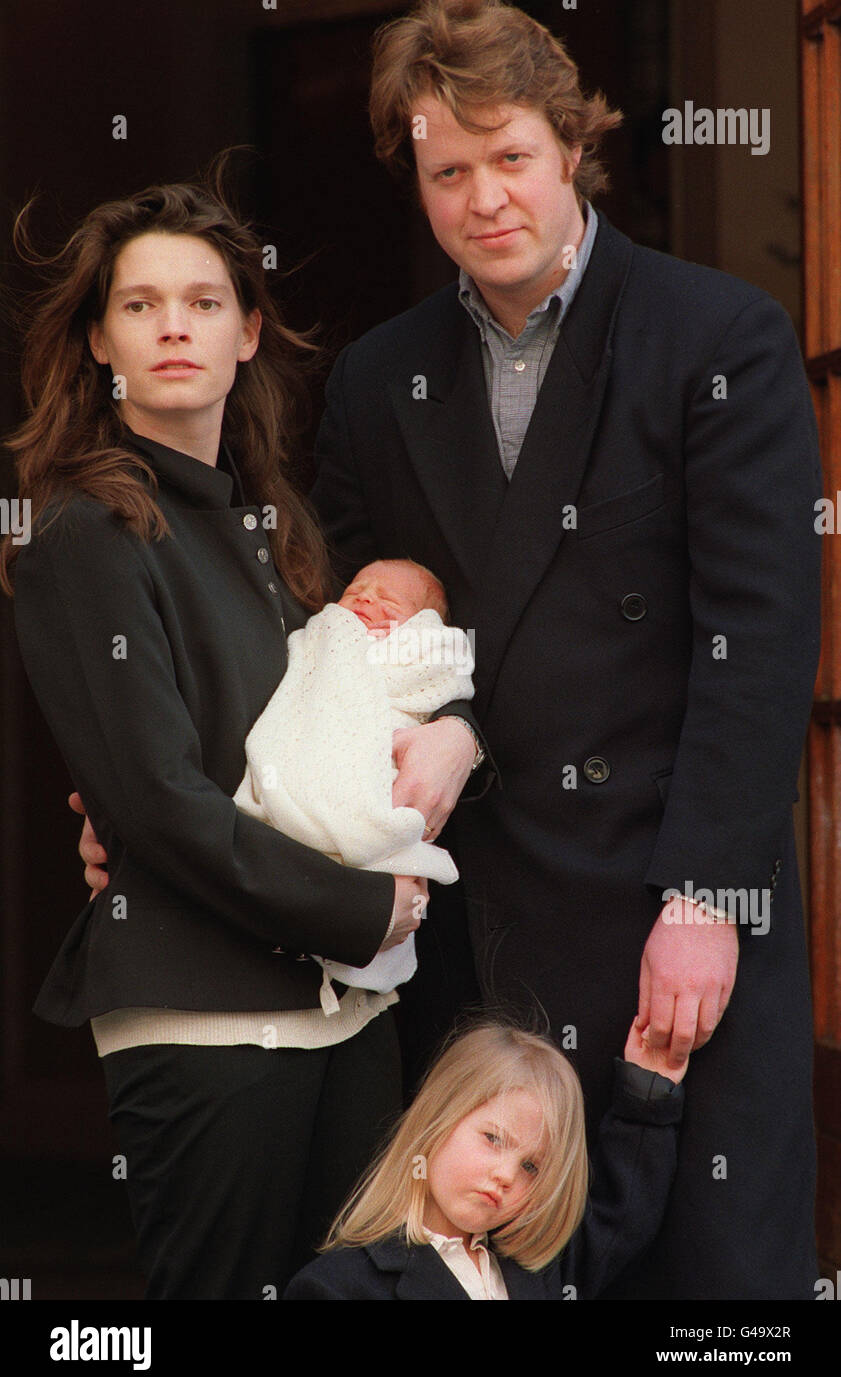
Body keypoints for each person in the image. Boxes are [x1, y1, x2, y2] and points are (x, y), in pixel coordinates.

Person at [306, 0, 823, 1299]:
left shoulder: (717, 338)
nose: (486, 197)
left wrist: (707, 899)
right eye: (448, 169)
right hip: (484, 948)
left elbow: (753, 646)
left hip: (674, 921)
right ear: (414, 183)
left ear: (573, 145)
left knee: (710, 1293)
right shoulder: (375, 381)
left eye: (511, 155)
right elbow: (350, 635)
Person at [1, 169, 481, 1299]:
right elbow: (156, 803)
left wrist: (458, 730)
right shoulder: (83, 532)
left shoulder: (275, 522)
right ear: (98, 342)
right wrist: (366, 908)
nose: (175, 324)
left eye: (205, 301)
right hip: (208, 1014)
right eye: (140, 303)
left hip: (344, 1010)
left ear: (249, 332)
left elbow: (370, 684)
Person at [284, 1017, 687, 1300]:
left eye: (531, 1167)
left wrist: (646, 1091)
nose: (506, 1175)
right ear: (437, 1119)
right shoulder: (338, 1287)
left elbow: (621, 1214)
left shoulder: (541, 1274)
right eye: (494, 1139)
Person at [233, 558, 475, 1008]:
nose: (366, 599)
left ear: (422, 625)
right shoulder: (317, 640)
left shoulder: (423, 650)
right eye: (357, 590)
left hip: (384, 759)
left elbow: (439, 677)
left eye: (388, 600)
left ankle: (359, 864)